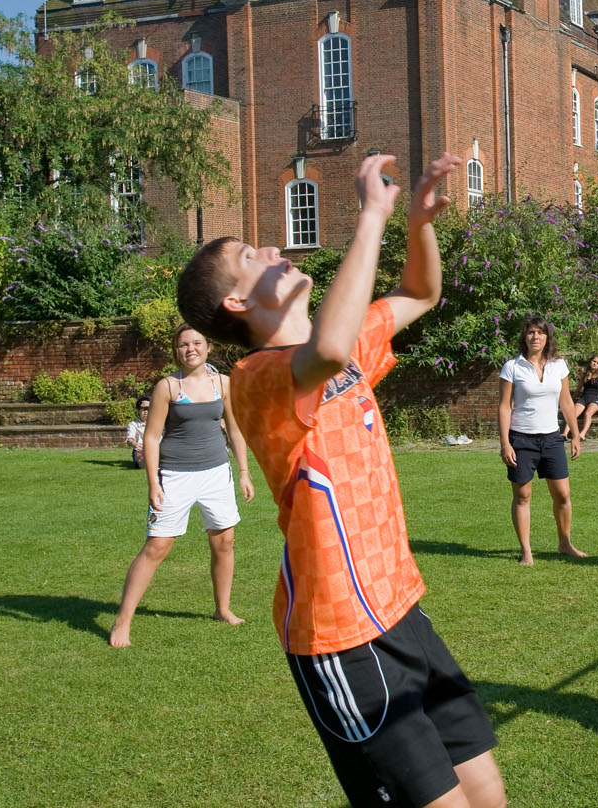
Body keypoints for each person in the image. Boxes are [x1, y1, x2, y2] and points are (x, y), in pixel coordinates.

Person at [174, 153, 507, 808]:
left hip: (402, 610)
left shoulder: (348, 342)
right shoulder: (256, 379)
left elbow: (419, 294)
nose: (272, 246)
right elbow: (324, 351)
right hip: (340, 639)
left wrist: (417, 224)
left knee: (487, 795)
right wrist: (371, 214)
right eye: (251, 253)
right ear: (237, 300)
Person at [108, 326, 253, 649]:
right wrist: (153, 483)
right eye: (184, 344)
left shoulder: (223, 383)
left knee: (224, 542)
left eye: (197, 343)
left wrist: (243, 471)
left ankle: (222, 609)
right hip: (175, 475)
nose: (191, 349)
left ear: (208, 347)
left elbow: (235, 428)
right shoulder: (168, 387)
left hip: (217, 473)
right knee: (157, 546)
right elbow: (151, 435)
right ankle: (123, 621)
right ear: (177, 350)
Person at [500, 315, 586, 565]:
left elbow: (566, 401)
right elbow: (504, 407)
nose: (535, 337)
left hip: (551, 438)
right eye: (530, 333)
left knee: (562, 495)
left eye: (540, 332)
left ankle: (565, 543)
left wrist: (576, 434)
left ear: (547, 337)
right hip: (521, 439)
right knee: (523, 496)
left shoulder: (559, 365)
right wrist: (505, 443)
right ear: (524, 337)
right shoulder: (512, 367)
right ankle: (526, 551)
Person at [125, 395, 150, 468]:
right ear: (138, 410)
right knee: (141, 465)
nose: (146, 411)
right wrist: (134, 443)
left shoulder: (156, 423)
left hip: (155, 449)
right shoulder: (133, 425)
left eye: (148, 408)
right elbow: (130, 439)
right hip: (140, 449)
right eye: (143, 409)